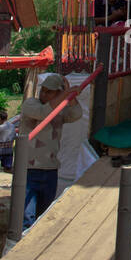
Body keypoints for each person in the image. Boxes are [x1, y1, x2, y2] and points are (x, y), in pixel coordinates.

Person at [20, 73, 82, 228]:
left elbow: (76, 114)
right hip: (28, 169)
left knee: (42, 217)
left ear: (57, 92)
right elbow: (42, 112)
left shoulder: (60, 109)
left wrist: (70, 95)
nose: (44, 94)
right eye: (43, 90)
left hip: (50, 170)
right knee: (27, 217)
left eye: (50, 92)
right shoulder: (30, 104)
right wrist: (65, 94)